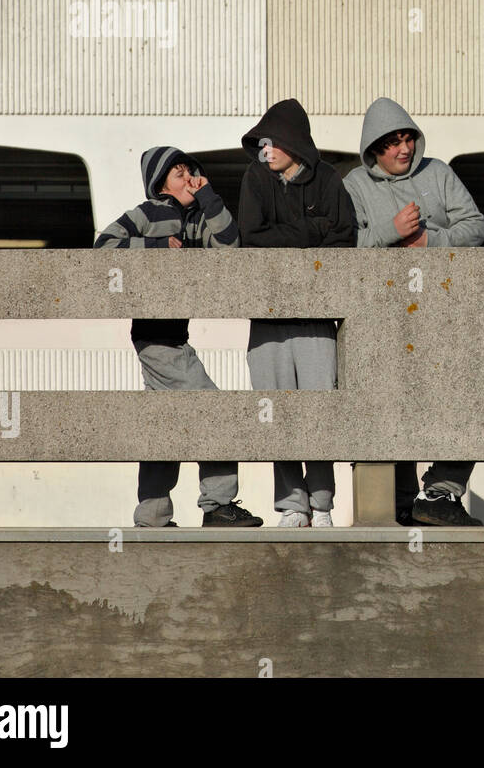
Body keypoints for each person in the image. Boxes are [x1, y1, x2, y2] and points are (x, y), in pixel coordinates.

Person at [94, 146, 264, 529]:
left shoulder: (198, 218)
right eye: (179, 174)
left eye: (191, 172)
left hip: (171, 338)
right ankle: (218, 504)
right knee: (213, 412)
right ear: (161, 185)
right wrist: (153, 247)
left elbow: (229, 245)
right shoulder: (148, 212)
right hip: (158, 340)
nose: (189, 179)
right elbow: (103, 246)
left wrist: (209, 197)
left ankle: (152, 515)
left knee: (163, 423)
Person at [344, 97, 484, 527]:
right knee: (391, 404)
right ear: (374, 148)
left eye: (408, 139)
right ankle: (402, 502)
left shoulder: (438, 172)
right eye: (393, 143)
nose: (404, 150)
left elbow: (476, 225)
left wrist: (430, 242)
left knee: (466, 394)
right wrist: (392, 232)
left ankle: (442, 494)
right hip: (383, 317)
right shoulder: (352, 185)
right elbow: (346, 245)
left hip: (445, 312)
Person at [239, 99, 357, 527]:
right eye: (261, 144)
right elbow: (251, 239)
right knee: (276, 414)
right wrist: (313, 230)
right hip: (267, 321)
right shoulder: (253, 179)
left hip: (316, 320)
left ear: (293, 143)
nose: (265, 151)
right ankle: (291, 506)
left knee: (319, 412)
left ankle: (322, 504)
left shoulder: (328, 179)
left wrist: (290, 236)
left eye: (272, 143)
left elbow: (344, 238)